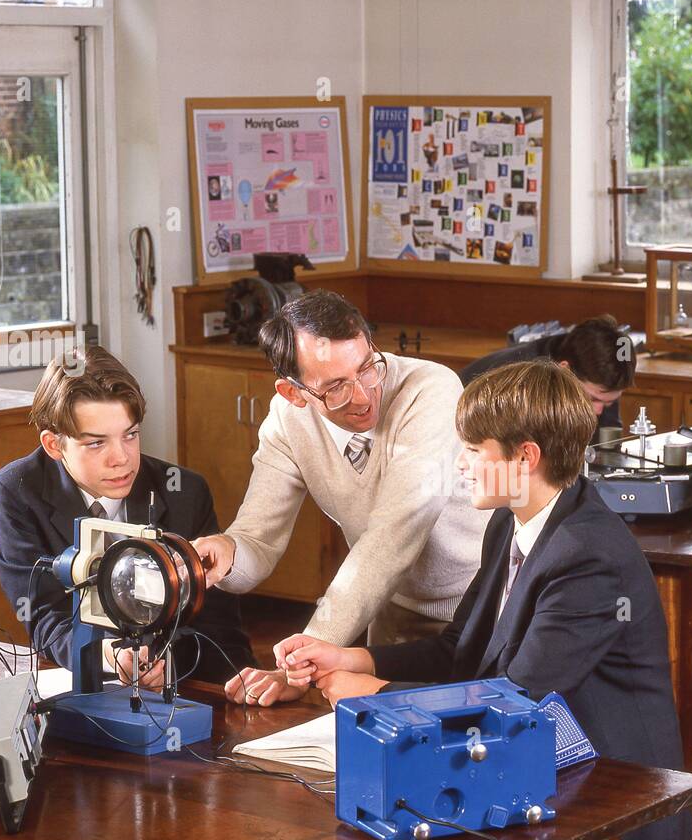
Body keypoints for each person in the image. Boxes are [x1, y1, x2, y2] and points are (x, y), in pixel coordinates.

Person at [275, 360, 692, 840]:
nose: (460, 464)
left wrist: (375, 693)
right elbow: (458, 651)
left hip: (602, 784)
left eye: (472, 449)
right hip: (525, 759)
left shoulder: (588, 554)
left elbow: (515, 701)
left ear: (524, 457)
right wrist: (351, 657)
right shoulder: (511, 520)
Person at [192, 289, 489, 706]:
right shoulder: (287, 420)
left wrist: (305, 656)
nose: (365, 396)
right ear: (292, 393)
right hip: (389, 612)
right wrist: (225, 552)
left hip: (476, 612)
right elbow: (258, 540)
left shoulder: (431, 390)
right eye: (335, 388)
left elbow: (392, 538)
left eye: (368, 368)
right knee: (385, 749)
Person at [0, 345, 257, 687]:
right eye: (96, 444)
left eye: (130, 435)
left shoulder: (185, 492)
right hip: (86, 680)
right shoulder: (17, 491)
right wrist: (105, 656)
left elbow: (219, 630)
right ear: (54, 445)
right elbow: (43, 617)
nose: (122, 459)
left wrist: (169, 662)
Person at [459, 315, 636, 432]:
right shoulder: (518, 381)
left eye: (608, 403)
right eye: (592, 399)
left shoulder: (603, 376)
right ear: (564, 369)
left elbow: (606, 446)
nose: (598, 411)